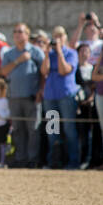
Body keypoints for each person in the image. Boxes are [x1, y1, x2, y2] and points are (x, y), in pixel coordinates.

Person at [0, 23, 44, 168]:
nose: (18, 34)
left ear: (27, 34)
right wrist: (19, 60)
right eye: (15, 32)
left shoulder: (36, 52)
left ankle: (33, 159)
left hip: (32, 96)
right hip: (14, 97)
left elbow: (44, 73)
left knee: (33, 130)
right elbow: (4, 72)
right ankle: (20, 158)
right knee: (18, 130)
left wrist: (41, 91)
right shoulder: (9, 54)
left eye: (21, 32)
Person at [42, 25, 80, 169]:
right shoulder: (49, 54)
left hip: (66, 96)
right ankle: (54, 161)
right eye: (55, 36)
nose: (57, 39)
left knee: (69, 129)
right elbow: (44, 71)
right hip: (50, 96)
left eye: (60, 36)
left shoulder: (71, 53)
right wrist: (46, 53)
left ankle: (73, 161)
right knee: (53, 130)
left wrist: (59, 52)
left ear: (65, 37)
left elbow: (64, 70)